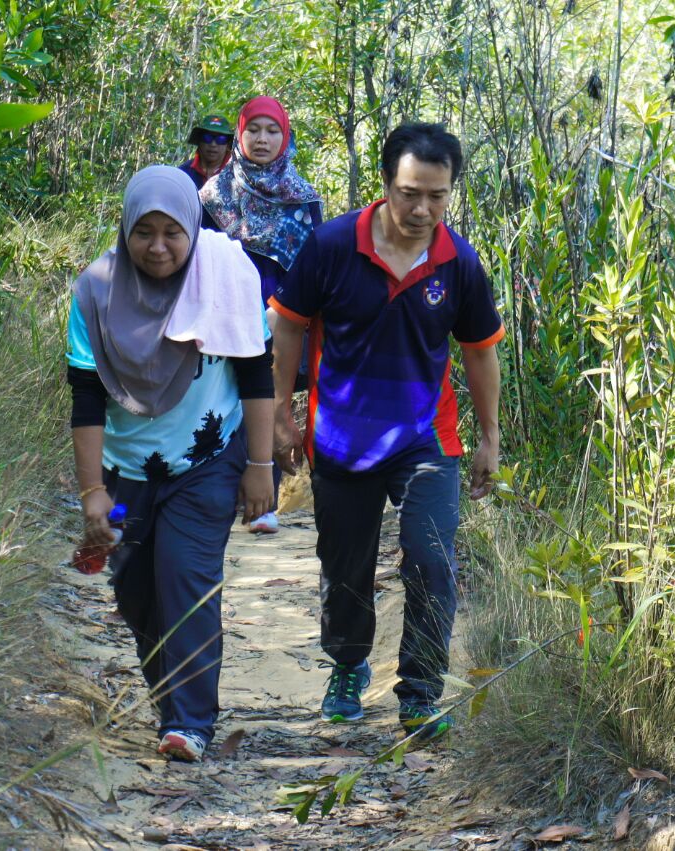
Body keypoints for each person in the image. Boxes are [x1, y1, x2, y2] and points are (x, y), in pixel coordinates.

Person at [268, 123, 504, 741]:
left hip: (426, 438)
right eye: (409, 193)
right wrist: (279, 413)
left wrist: (488, 437)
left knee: (431, 559)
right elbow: (287, 324)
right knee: (345, 568)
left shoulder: (459, 263)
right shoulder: (332, 246)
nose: (422, 208)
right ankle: (347, 663)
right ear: (386, 186)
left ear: (450, 193)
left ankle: (420, 693)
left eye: (437, 195)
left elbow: (480, 352)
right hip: (340, 435)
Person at [67, 165, 275, 762]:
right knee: (136, 593)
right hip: (126, 471)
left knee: (184, 579)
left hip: (207, 459)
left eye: (172, 233)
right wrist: (91, 494)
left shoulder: (227, 276)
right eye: (144, 232)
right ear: (126, 229)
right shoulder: (97, 291)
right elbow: (86, 398)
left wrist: (259, 465)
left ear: (192, 229)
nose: (158, 247)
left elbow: (256, 372)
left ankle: (189, 721)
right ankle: (169, 699)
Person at [200, 95, 322, 534]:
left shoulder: (303, 197)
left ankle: (263, 503)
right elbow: (197, 255)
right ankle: (219, 495)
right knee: (221, 398)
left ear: (285, 137)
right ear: (240, 134)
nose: (263, 139)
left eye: (273, 131)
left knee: (271, 399)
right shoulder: (213, 195)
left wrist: (292, 311)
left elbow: (315, 260)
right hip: (222, 310)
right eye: (254, 130)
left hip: (280, 313)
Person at [178, 114, 233, 190]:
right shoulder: (184, 172)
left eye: (221, 139)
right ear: (199, 141)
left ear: (228, 145)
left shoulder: (236, 173)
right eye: (207, 138)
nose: (213, 144)